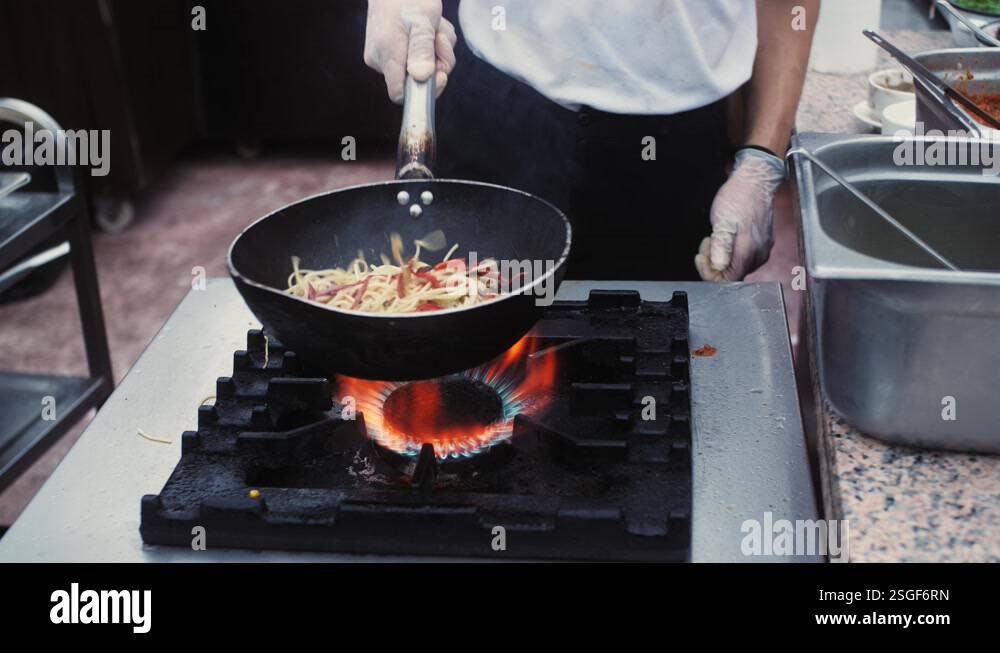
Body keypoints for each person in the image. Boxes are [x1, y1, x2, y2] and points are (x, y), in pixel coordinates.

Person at [363, 0, 818, 281]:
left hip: (669, 150)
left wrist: (761, 163)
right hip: (494, 103)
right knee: (441, 344)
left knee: (658, 384)